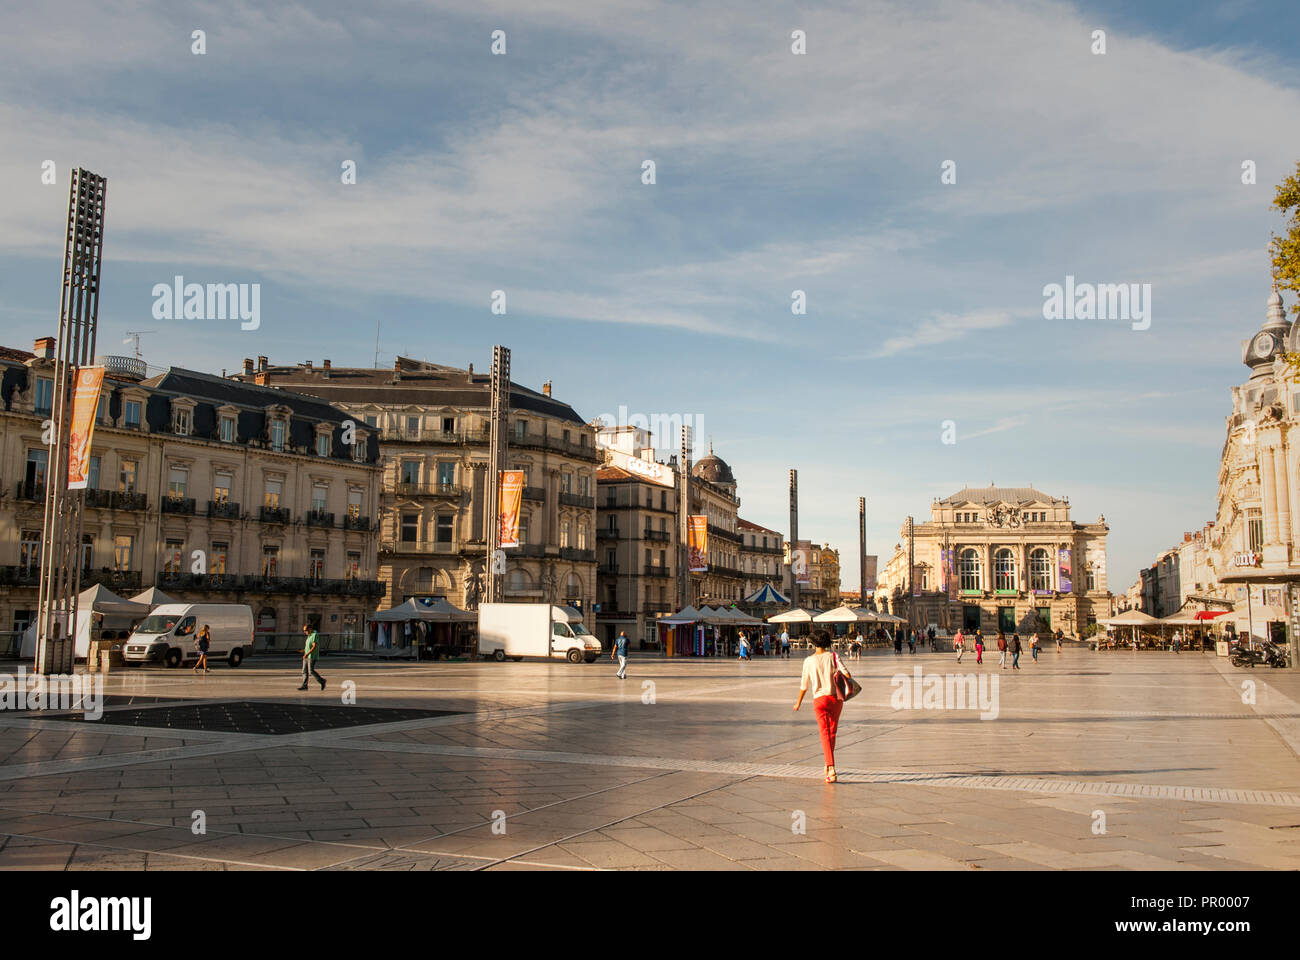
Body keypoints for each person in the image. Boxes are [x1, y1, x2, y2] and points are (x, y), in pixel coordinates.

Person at [793, 632, 853, 783]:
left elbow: (804, 685)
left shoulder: (808, 661)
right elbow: (847, 674)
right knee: (832, 733)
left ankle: (831, 767)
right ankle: (828, 765)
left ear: (814, 643)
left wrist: (798, 703)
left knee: (825, 734)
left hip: (819, 700)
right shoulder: (833, 656)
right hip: (835, 699)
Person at [298, 624, 325, 691]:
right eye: (304, 630)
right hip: (306, 655)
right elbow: (309, 646)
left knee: (311, 671)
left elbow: (314, 646)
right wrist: (303, 651)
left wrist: (307, 654)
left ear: (310, 629)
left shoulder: (314, 635)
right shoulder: (309, 636)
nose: (305, 632)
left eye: (305, 630)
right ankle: (304, 686)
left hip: (312, 656)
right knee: (304, 671)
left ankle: (322, 681)